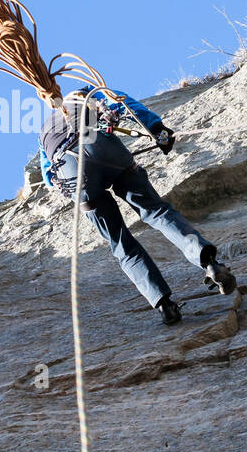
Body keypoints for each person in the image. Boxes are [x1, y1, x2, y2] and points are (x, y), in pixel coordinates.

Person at [38, 86, 236, 325]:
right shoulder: (84, 93)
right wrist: (156, 129)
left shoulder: (43, 132)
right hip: (102, 147)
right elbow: (123, 104)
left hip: (72, 174)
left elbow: (49, 177)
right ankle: (210, 263)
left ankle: (164, 305)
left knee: (121, 244)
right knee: (156, 211)